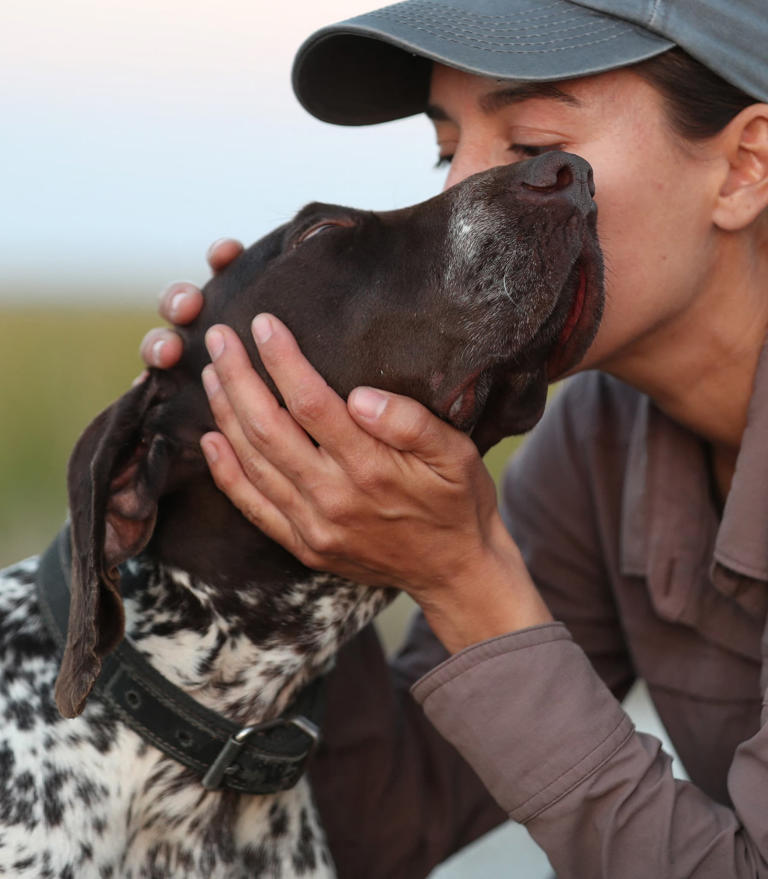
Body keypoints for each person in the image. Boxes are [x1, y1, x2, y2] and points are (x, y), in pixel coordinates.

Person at [139, 1, 768, 875]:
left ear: (743, 167)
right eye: (446, 151)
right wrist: (296, 501)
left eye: (531, 146)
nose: (459, 195)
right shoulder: (602, 440)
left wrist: (462, 576)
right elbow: (392, 818)